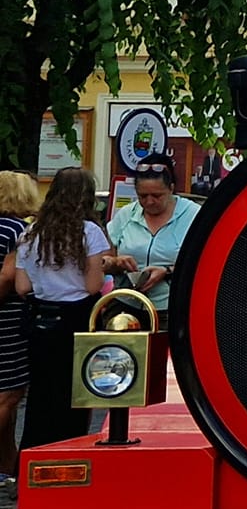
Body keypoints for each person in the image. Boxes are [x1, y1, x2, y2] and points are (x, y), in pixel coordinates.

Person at [10, 167, 108, 454]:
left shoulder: (32, 232)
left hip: (40, 320)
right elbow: (93, 286)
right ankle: (69, 453)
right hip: (77, 319)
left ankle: (32, 456)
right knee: (73, 396)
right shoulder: (89, 232)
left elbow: (21, 286)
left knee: (41, 396)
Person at [106, 154, 201, 328]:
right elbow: (103, 261)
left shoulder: (193, 215)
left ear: (171, 188)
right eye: (142, 196)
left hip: (172, 309)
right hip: (125, 308)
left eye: (157, 195)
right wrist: (116, 262)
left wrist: (167, 271)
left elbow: (205, 262)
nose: (149, 202)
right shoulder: (126, 215)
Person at [0, 170, 39, 480]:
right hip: (8, 319)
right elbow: (8, 277)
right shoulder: (16, 230)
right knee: (8, 395)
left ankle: (7, 465)